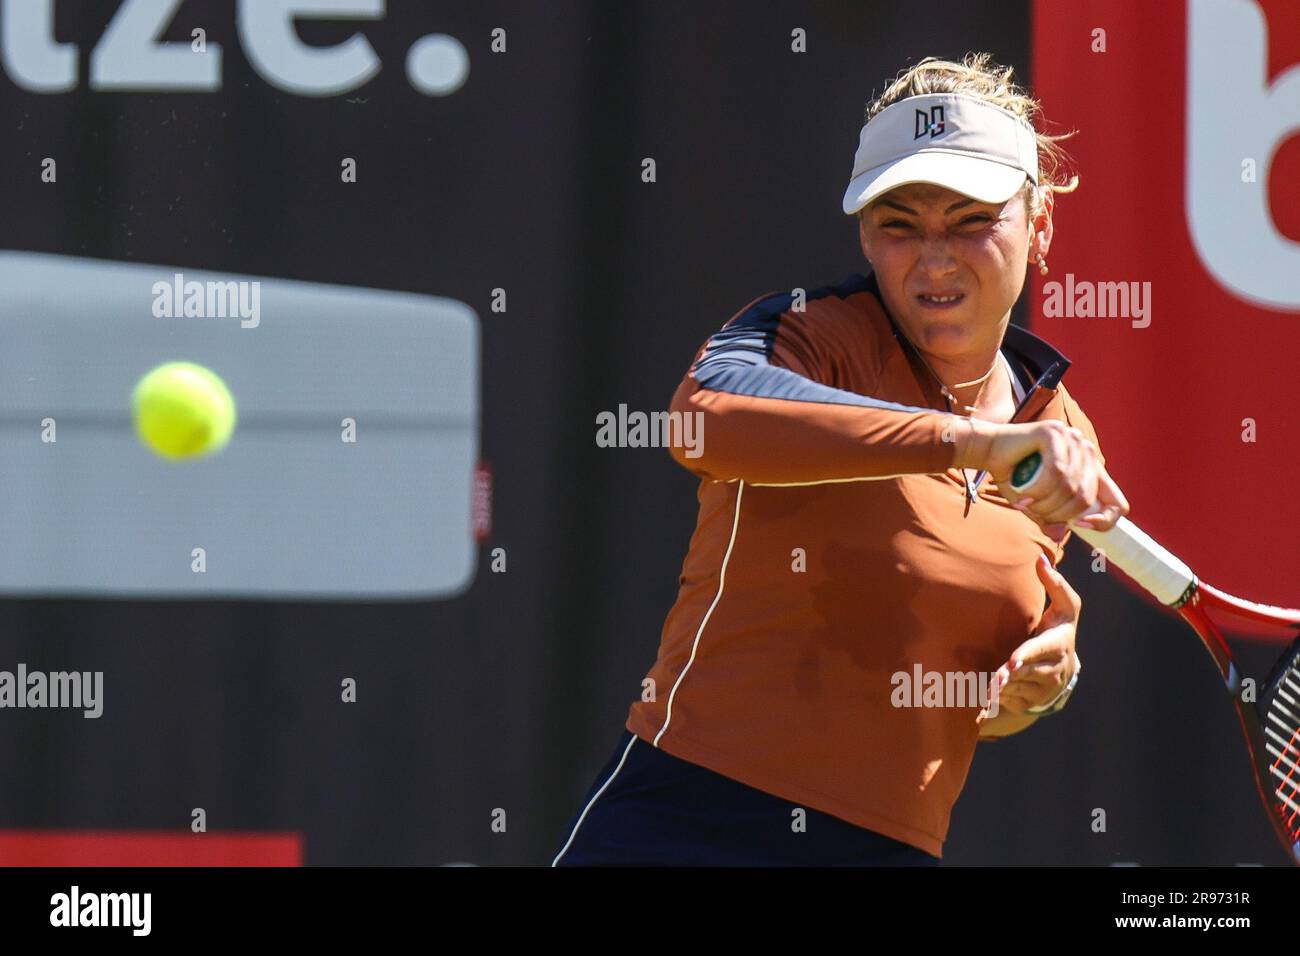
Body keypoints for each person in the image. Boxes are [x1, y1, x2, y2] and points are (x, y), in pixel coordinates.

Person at [553, 53, 1129, 866]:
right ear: (865, 233)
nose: (934, 258)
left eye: (971, 219)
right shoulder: (806, 336)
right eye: (900, 224)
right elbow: (702, 419)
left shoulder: (1063, 433)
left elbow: (975, 677)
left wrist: (1040, 683)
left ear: (1038, 228)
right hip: (688, 822)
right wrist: (975, 444)